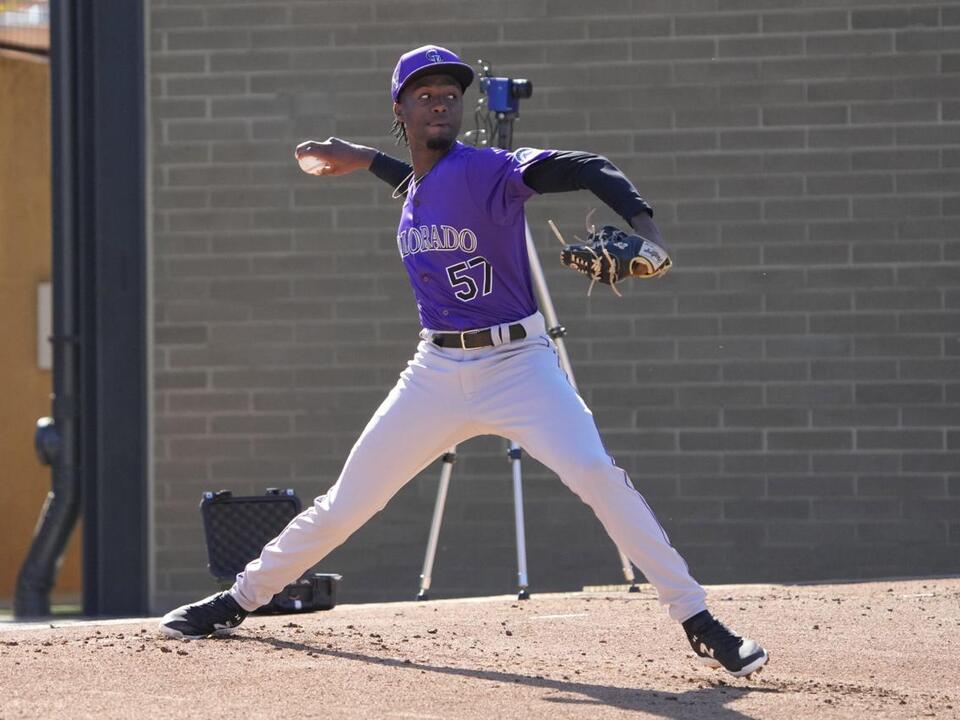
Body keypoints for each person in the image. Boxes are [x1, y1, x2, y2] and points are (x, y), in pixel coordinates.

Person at [160, 45, 769, 679]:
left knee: (597, 474)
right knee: (348, 501)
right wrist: (366, 158)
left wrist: (648, 228)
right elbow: (419, 182)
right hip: (435, 372)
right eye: (425, 96)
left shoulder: (491, 170)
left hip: (519, 364)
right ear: (399, 108)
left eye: (450, 95)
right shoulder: (420, 186)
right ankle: (238, 600)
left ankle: (699, 619)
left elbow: (588, 166)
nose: (441, 104)